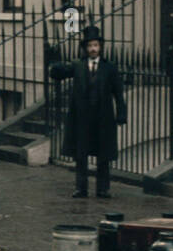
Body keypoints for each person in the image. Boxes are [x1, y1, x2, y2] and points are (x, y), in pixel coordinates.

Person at [49, 25, 127, 198]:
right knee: (81, 154)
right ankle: (81, 188)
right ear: (85, 48)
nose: (93, 49)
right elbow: (57, 74)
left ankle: (103, 189)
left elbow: (118, 93)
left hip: (103, 117)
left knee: (103, 156)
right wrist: (54, 62)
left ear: (100, 47)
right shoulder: (78, 66)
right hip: (82, 117)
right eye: (90, 46)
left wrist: (121, 113)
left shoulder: (110, 68)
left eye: (96, 45)